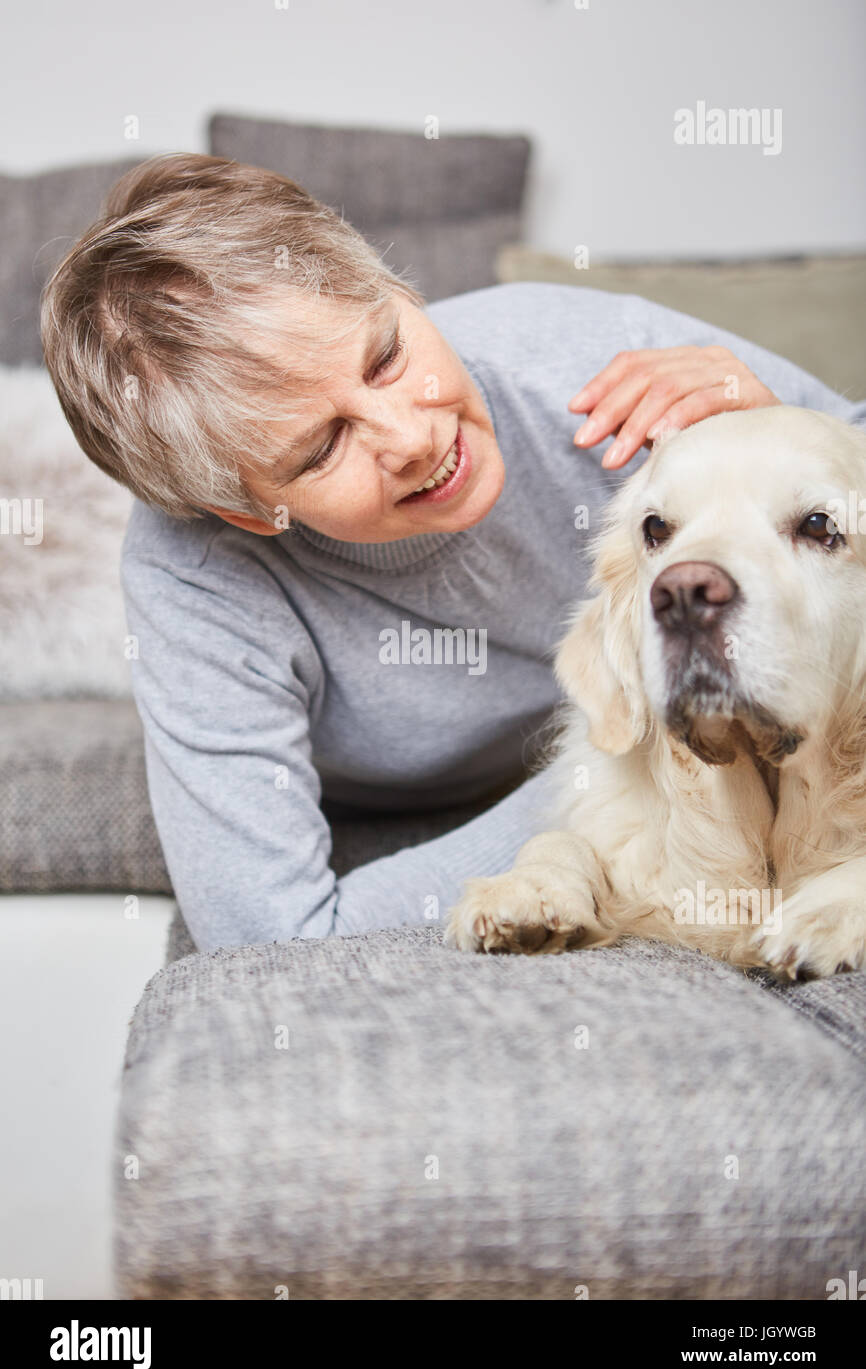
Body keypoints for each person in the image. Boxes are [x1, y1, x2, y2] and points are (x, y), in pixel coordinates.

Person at [40, 154, 866, 952]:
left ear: (402, 290)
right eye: (322, 448)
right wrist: (606, 767)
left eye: (387, 355)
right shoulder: (192, 578)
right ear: (247, 510)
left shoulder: (593, 359)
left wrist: (785, 436)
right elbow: (271, 934)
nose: (411, 433)